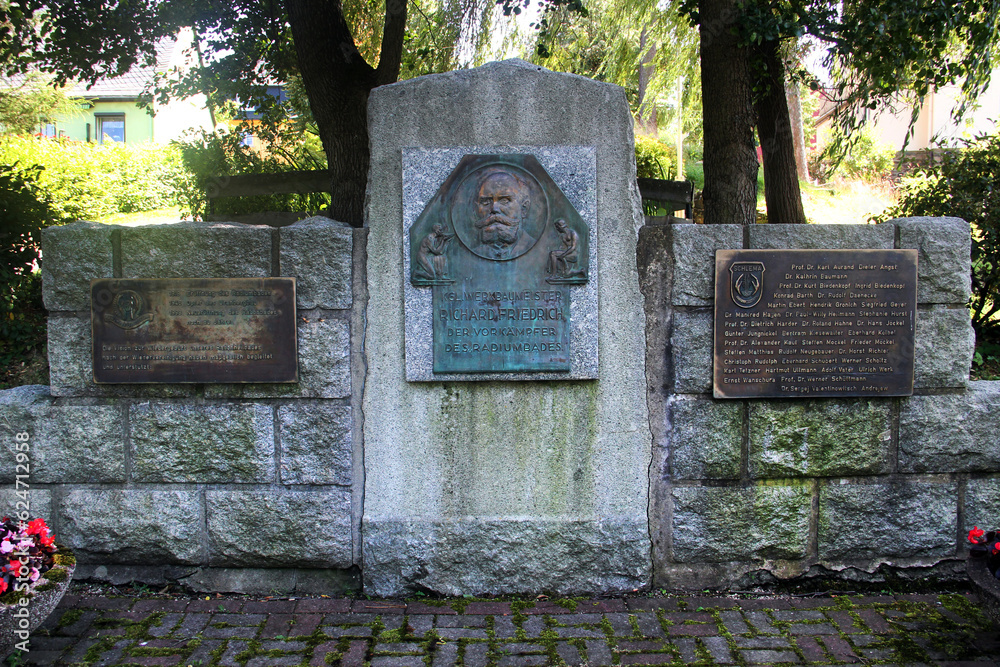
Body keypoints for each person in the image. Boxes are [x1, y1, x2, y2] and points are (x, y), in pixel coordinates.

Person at [470, 169, 537, 260]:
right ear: (476, 209)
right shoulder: (464, 257)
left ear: (524, 208)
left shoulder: (542, 251)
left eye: (504, 201)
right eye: (486, 202)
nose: (494, 209)